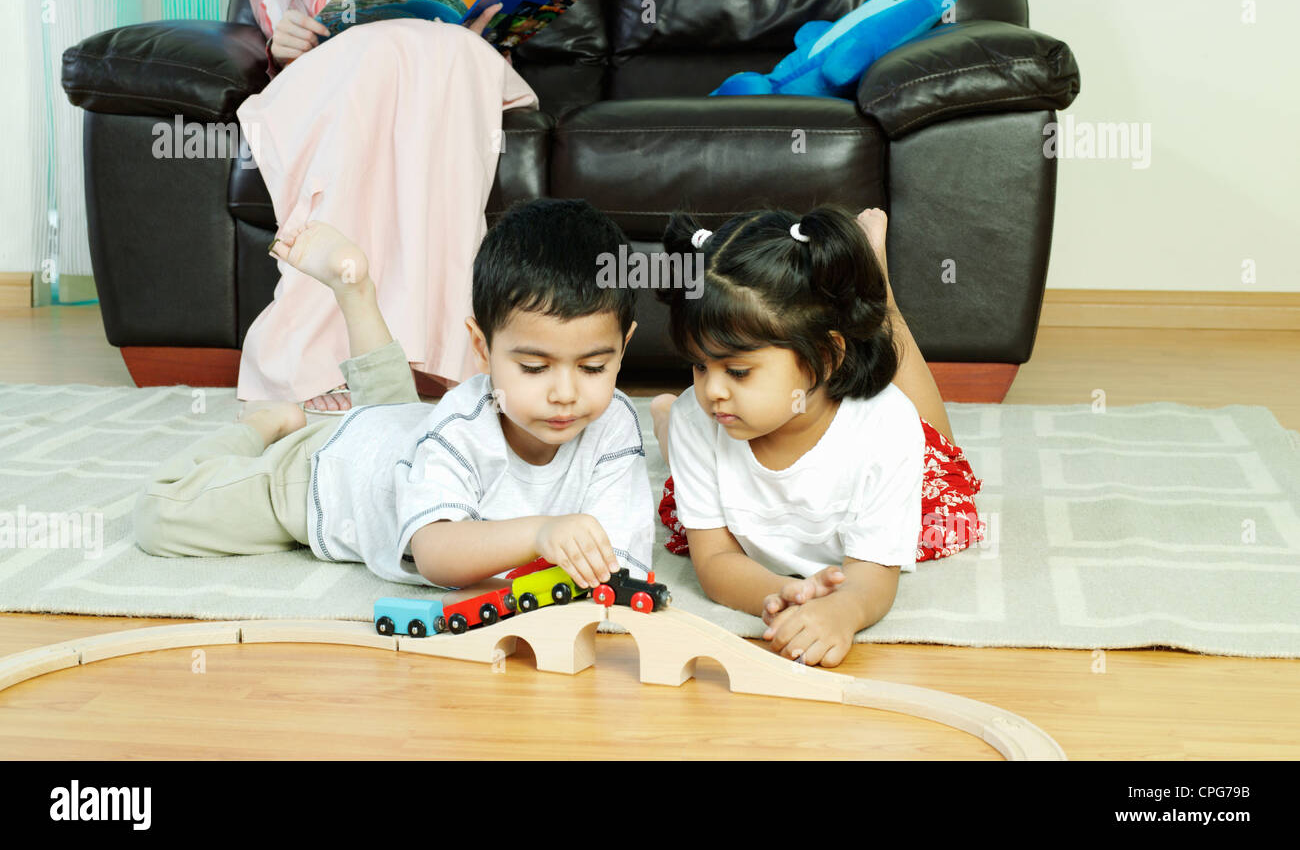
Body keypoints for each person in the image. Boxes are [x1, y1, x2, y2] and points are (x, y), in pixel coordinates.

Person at [134, 198, 655, 590]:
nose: (565, 393)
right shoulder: (463, 425)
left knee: (396, 414)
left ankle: (355, 290)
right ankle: (264, 425)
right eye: (534, 367)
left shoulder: (615, 423)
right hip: (330, 472)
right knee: (162, 517)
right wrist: (541, 532)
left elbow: (621, 556)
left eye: (593, 366)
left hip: (403, 431)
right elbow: (434, 552)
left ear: (622, 349)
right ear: (482, 347)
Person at [235, 0, 538, 415]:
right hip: (335, 87)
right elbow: (273, 39)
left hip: (431, 95)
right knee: (384, 50)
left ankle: (437, 357)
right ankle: (328, 360)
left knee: (447, 53)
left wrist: (487, 38)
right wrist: (287, 37)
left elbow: (487, 52)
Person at [649, 205, 986, 668]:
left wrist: (843, 610)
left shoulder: (886, 427)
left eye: (739, 371)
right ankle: (666, 421)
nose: (711, 390)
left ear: (825, 357)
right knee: (687, 447)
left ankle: (878, 287)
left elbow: (873, 576)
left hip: (890, 446)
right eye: (700, 365)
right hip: (719, 443)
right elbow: (715, 559)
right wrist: (782, 594)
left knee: (939, 455)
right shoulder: (702, 415)